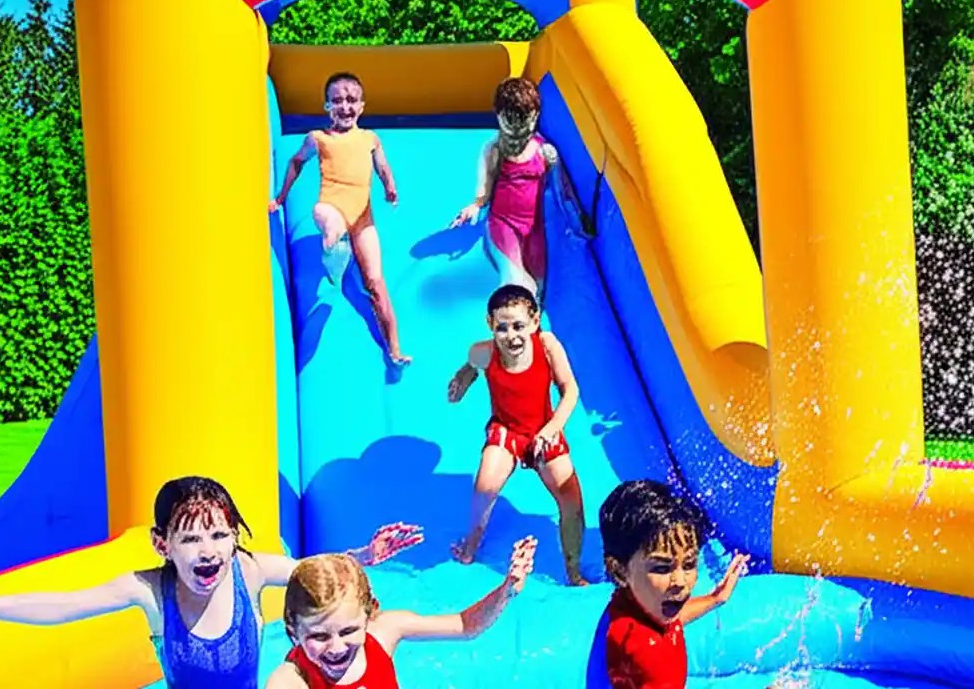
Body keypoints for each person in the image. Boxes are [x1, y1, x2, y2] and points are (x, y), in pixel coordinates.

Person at [0, 476, 423, 689]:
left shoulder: (250, 570)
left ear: (234, 537)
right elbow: (56, 605)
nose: (207, 551)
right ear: (163, 545)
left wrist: (363, 555)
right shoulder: (148, 591)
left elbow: (314, 577)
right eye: (190, 540)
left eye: (217, 535)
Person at [446, 283, 586, 586]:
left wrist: (553, 428)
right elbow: (470, 367)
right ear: (490, 325)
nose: (512, 336)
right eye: (502, 328)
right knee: (484, 488)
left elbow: (570, 390)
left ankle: (573, 571)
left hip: (543, 430)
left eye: (519, 326)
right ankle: (472, 543)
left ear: (535, 322)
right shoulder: (483, 352)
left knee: (572, 502)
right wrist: (461, 381)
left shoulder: (547, 346)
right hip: (506, 430)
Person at [268, 71, 410, 366]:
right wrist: (280, 197)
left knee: (375, 282)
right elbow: (296, 161)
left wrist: (390, 187)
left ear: (362, 106)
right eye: (337, 101)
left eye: (351, 100)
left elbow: (382, 167)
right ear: (327, 107)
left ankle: (395, 348)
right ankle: (334, 256)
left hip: (362, 218)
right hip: (329, 206)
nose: (345, 107)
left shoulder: (370, 138)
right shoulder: (318, 139)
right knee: (331, 224)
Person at [265, 536, 537, 688]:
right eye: (319, 636)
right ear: (293, 630)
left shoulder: (385, 631)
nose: (336, 648)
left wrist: (507, 590)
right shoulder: (291, 680)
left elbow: (466, 625)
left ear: (370, 614)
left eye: (348, 631)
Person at [592, 479, 751, 689]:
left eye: (689, 564)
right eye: (661, 568)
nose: (680, 582)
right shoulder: (647, 657)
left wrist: (715, 599)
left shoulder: (632, 606)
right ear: (619, 570)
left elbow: (667, 621)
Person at [450, 77, 577, 300]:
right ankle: (502, 326)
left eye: (524, 120)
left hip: (533, 228)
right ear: (497, 115)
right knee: (515, 282)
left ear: (535, 115)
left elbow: (562, 191)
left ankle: (526, 332)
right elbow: (484, 190)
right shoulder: (494, 149)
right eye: (511, 120)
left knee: (537, 290)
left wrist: (556, 168)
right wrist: (475, 205)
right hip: (503, 224)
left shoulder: (543, 151)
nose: (517, 128)